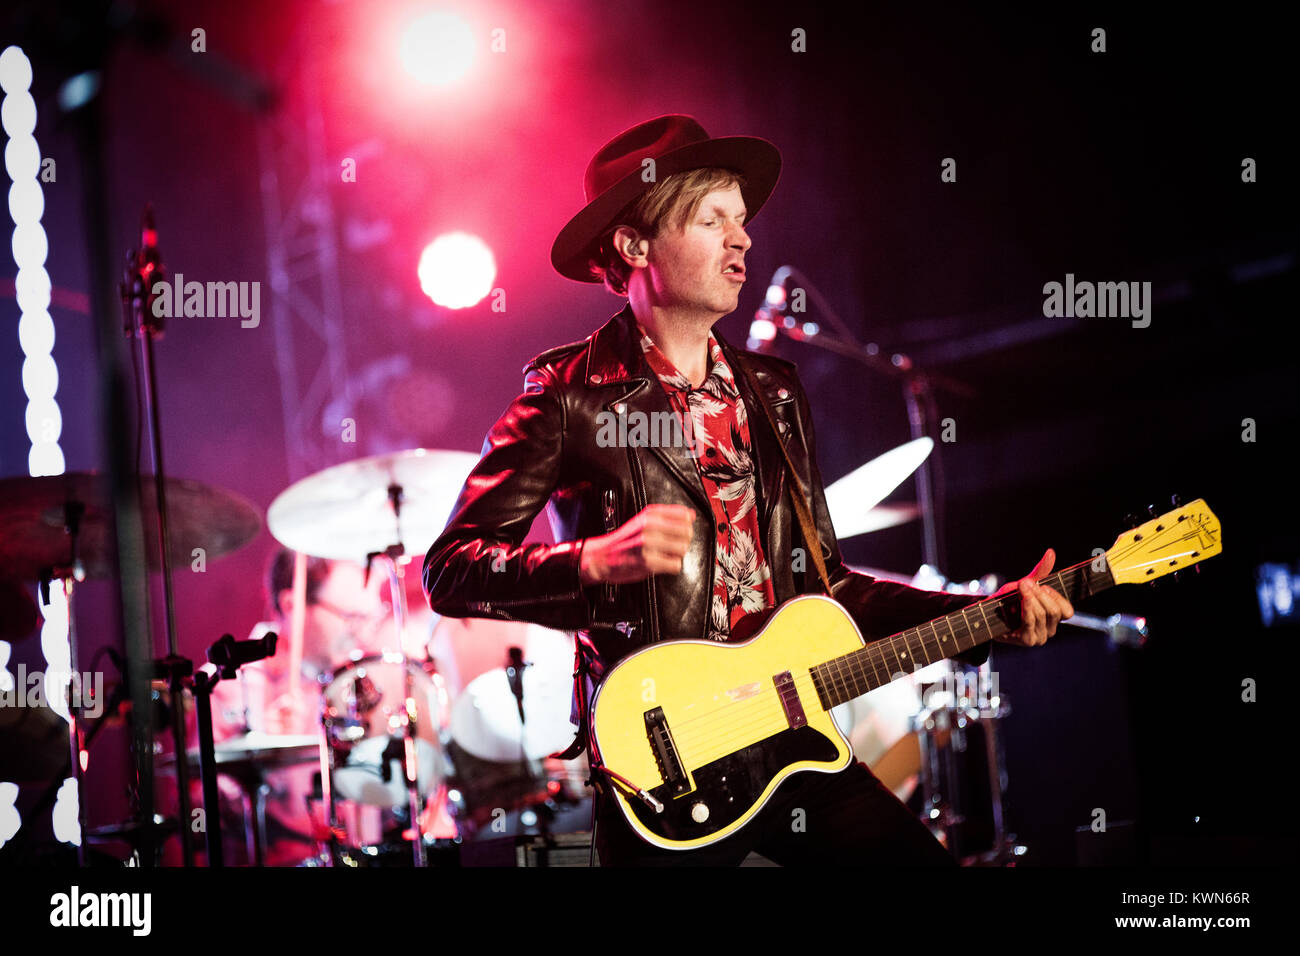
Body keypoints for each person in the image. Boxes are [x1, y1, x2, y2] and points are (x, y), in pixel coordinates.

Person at [423, 115, 1073, 866]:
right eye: (711, 219)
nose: (743, 240)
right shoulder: (570, 396)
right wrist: (592, 563)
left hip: (792, 739)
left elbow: (830, 593)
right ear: (635, 247)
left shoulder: (775, 392)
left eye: (741, 219)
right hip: (665, 758)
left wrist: (986, 616)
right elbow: (453, 567)